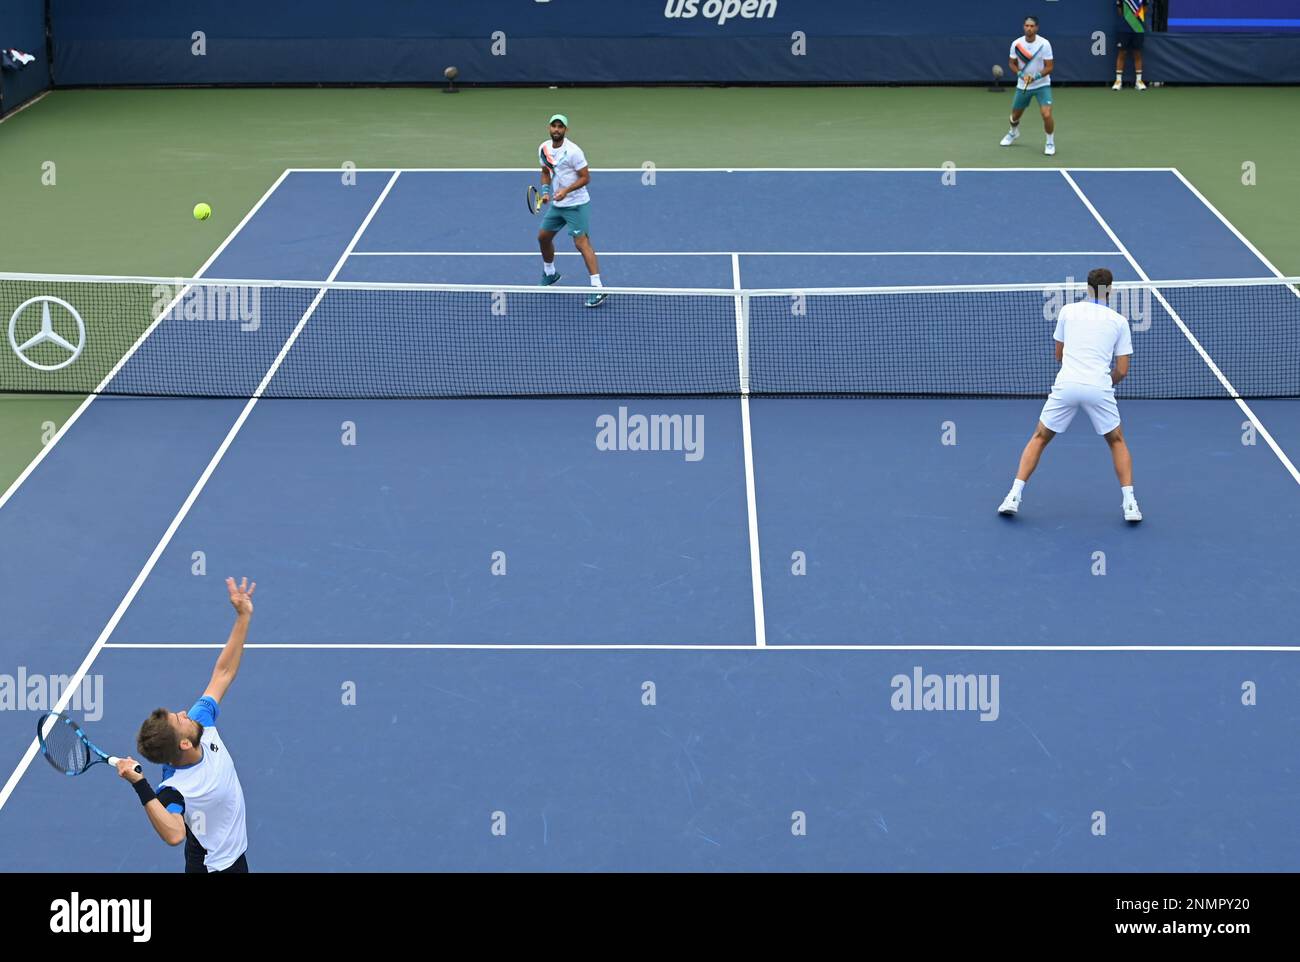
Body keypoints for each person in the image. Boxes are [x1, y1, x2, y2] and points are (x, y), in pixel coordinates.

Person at [116, 577, 256, 872]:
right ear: (184, 743)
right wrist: (141, 785)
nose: (184, 712)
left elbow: (224, 672)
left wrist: (243, 616)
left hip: (235, 857)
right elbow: (175, 833)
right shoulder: (175, 789)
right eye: (179, 719)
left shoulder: (200, 720)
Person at [998, 268, 1142, 522]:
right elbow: (1122, 370)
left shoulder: (1067, 311)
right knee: (1116, 441)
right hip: (1099, 388)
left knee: (1040, 437)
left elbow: (1059, 355)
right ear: (1111, 290)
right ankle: (1130, 504)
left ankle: (1013, 496)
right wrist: (1104, 382)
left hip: (1067, 384)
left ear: (1086, 288)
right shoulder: (1119, 321)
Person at [536, 113, 607, 308]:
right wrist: (545, 191)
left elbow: (586, 177)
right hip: (557, 205)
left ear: (566, 130)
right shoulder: (544, 148)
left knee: (581, 243)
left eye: (560, 126)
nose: (556, 129)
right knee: (543, 237)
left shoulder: (574, 151)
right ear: (549, 128)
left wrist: (566, 191)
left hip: (576, 204)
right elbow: (545, 172)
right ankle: (550, 273)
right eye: (554, 126)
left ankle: (598, 288)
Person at [999, 16, 1056, 156]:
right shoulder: (1016, 44)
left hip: (1042, 85)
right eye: (1026, 26)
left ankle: (1050, 142)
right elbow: (1011, 63)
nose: (1029, 28)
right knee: (1014, 118)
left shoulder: (1045, 44)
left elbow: (1050, 67)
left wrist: (1036, 77)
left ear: (1037, 28)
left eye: (1032, 26)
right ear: (1023, 27)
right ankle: (1013, 132)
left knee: (1046, 114)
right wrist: (1020, 74)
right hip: (1023, 86)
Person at [1113, 0, 1148, 90]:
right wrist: (1129, 19)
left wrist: (1136, 20)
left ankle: (1139, 81)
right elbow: (1120, 11)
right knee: (1122, 53)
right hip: (1124, 28)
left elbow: (1145, 9)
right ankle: (1118, 81)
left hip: (1138, 28)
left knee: (1137, 53)